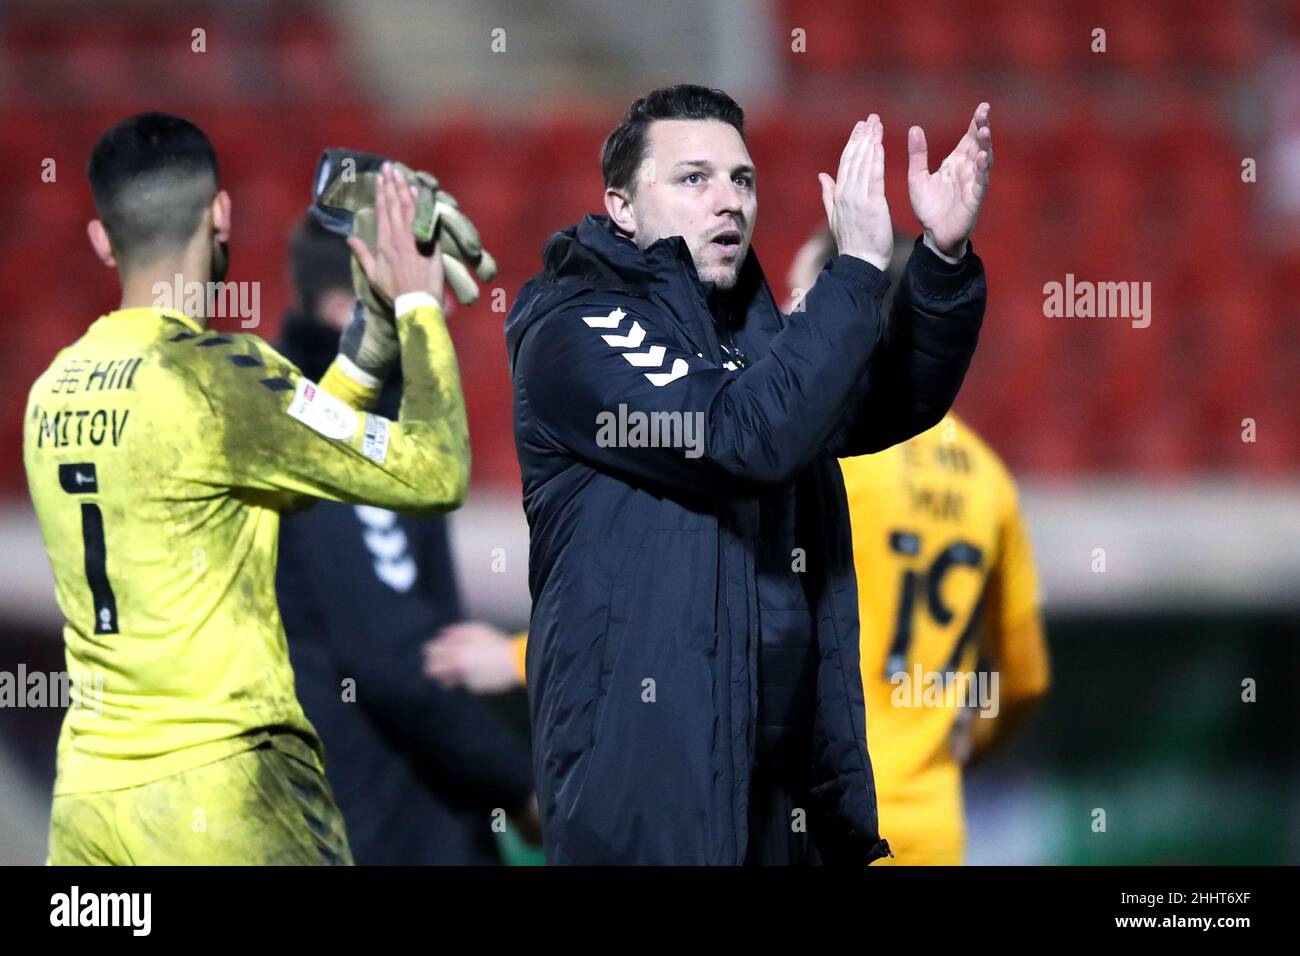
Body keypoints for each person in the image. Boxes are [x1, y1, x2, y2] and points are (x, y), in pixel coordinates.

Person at [504, 84, 993, 864]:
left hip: (779, 801)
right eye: (693, 179)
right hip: (649, 807)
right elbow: (738, 435)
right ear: (622, 208)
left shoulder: (751, 344)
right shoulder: (575, 330)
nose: (728, 201)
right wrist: (859, 268)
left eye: (742, 180)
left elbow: (889, 403)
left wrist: (938, 262)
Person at [24, 113, 466, 864]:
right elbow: (437, 469)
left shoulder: (51, 389)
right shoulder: (220, 378)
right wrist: (420, 306)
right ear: (221, 213)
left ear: (102, 239)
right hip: (227, 795)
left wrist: (371, 341)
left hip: (91, 805)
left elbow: (276, 465)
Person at [275, 216, 538, 865]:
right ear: (347, 312)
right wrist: (519, 783)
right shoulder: (335, 429)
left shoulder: (325, 414)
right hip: (383, 831)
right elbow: (399, 661)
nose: (442, 301)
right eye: (419, 280)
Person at [790, 229, 1051, 865]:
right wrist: (969, 740)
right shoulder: (989, 478)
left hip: (821, 826)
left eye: (801, 297)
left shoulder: (821, 456)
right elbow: (1027, 677)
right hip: (932, 827)